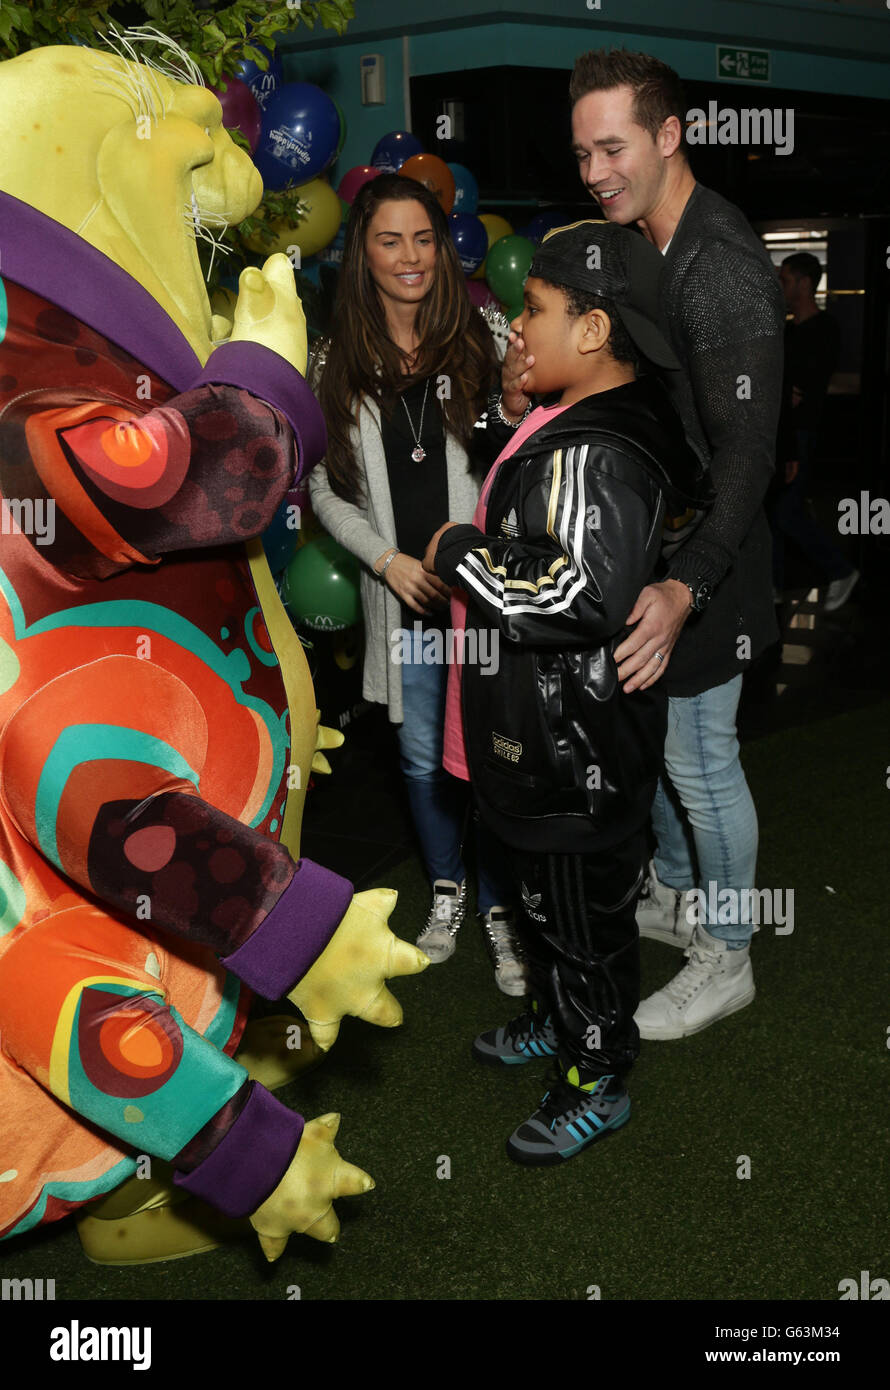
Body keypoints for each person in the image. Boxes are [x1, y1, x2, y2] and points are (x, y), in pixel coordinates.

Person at [424, 221, 711, 1164]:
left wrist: (462, 555)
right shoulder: (585, 424)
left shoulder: (598, 448)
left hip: (572, 751)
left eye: (536, 309)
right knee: (547, 910)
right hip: (553, 738)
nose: (516, 323)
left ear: (594, 331)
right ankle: (560, 1020)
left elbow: (578, 592)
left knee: (581, 926)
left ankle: (599, 1075)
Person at [512, 49, 784, 1037]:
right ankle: (673, 893)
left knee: (704, 760)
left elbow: (749, 458)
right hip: (665, 546)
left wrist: (685, 587)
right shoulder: (636, 243)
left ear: (669, 137)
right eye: (582, 151)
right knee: (662, 743)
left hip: (716, 554)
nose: (593, 172)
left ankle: (729, 952)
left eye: (612, 147)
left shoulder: (720, 269)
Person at [307, 173, 526, 993]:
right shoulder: (337, 361)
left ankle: (502, 909)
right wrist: (385, 561)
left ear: (443, 246)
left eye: (423, 239)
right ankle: (447, 890)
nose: (410, 257)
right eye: (389, 240)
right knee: (423, 757)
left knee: (496, 758)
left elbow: (532, 442)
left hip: (485, 598)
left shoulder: (487, 333)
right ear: (363, 253)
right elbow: (324, 487)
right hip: (403, 599)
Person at [771, 251, 857, 610]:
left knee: (785, 514)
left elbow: (794, 393)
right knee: (774, 514)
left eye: (786, 279)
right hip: (784, 435)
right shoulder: (789, 330)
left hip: (801, 435)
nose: (782, 286)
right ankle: (772, 589)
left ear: (805, 284)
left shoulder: (823, 330)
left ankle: (839, 569)